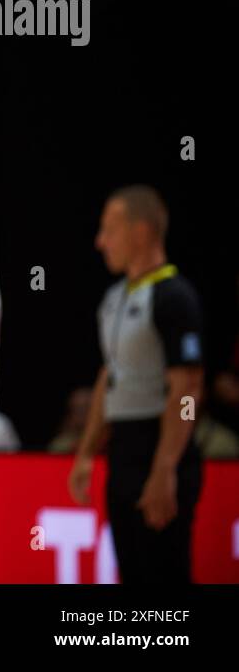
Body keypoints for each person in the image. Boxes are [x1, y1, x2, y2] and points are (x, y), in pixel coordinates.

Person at [68, 186, 204, 583]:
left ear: (141, 231)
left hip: (159, 446)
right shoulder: (112, 299)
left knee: (165, 572)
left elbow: (189, 390)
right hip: (123, 452)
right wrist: (86, 451)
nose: (100, 241)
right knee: (132, 569)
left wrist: (166, 468)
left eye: (109, 229)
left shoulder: (174, 297)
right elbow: (108, 377)